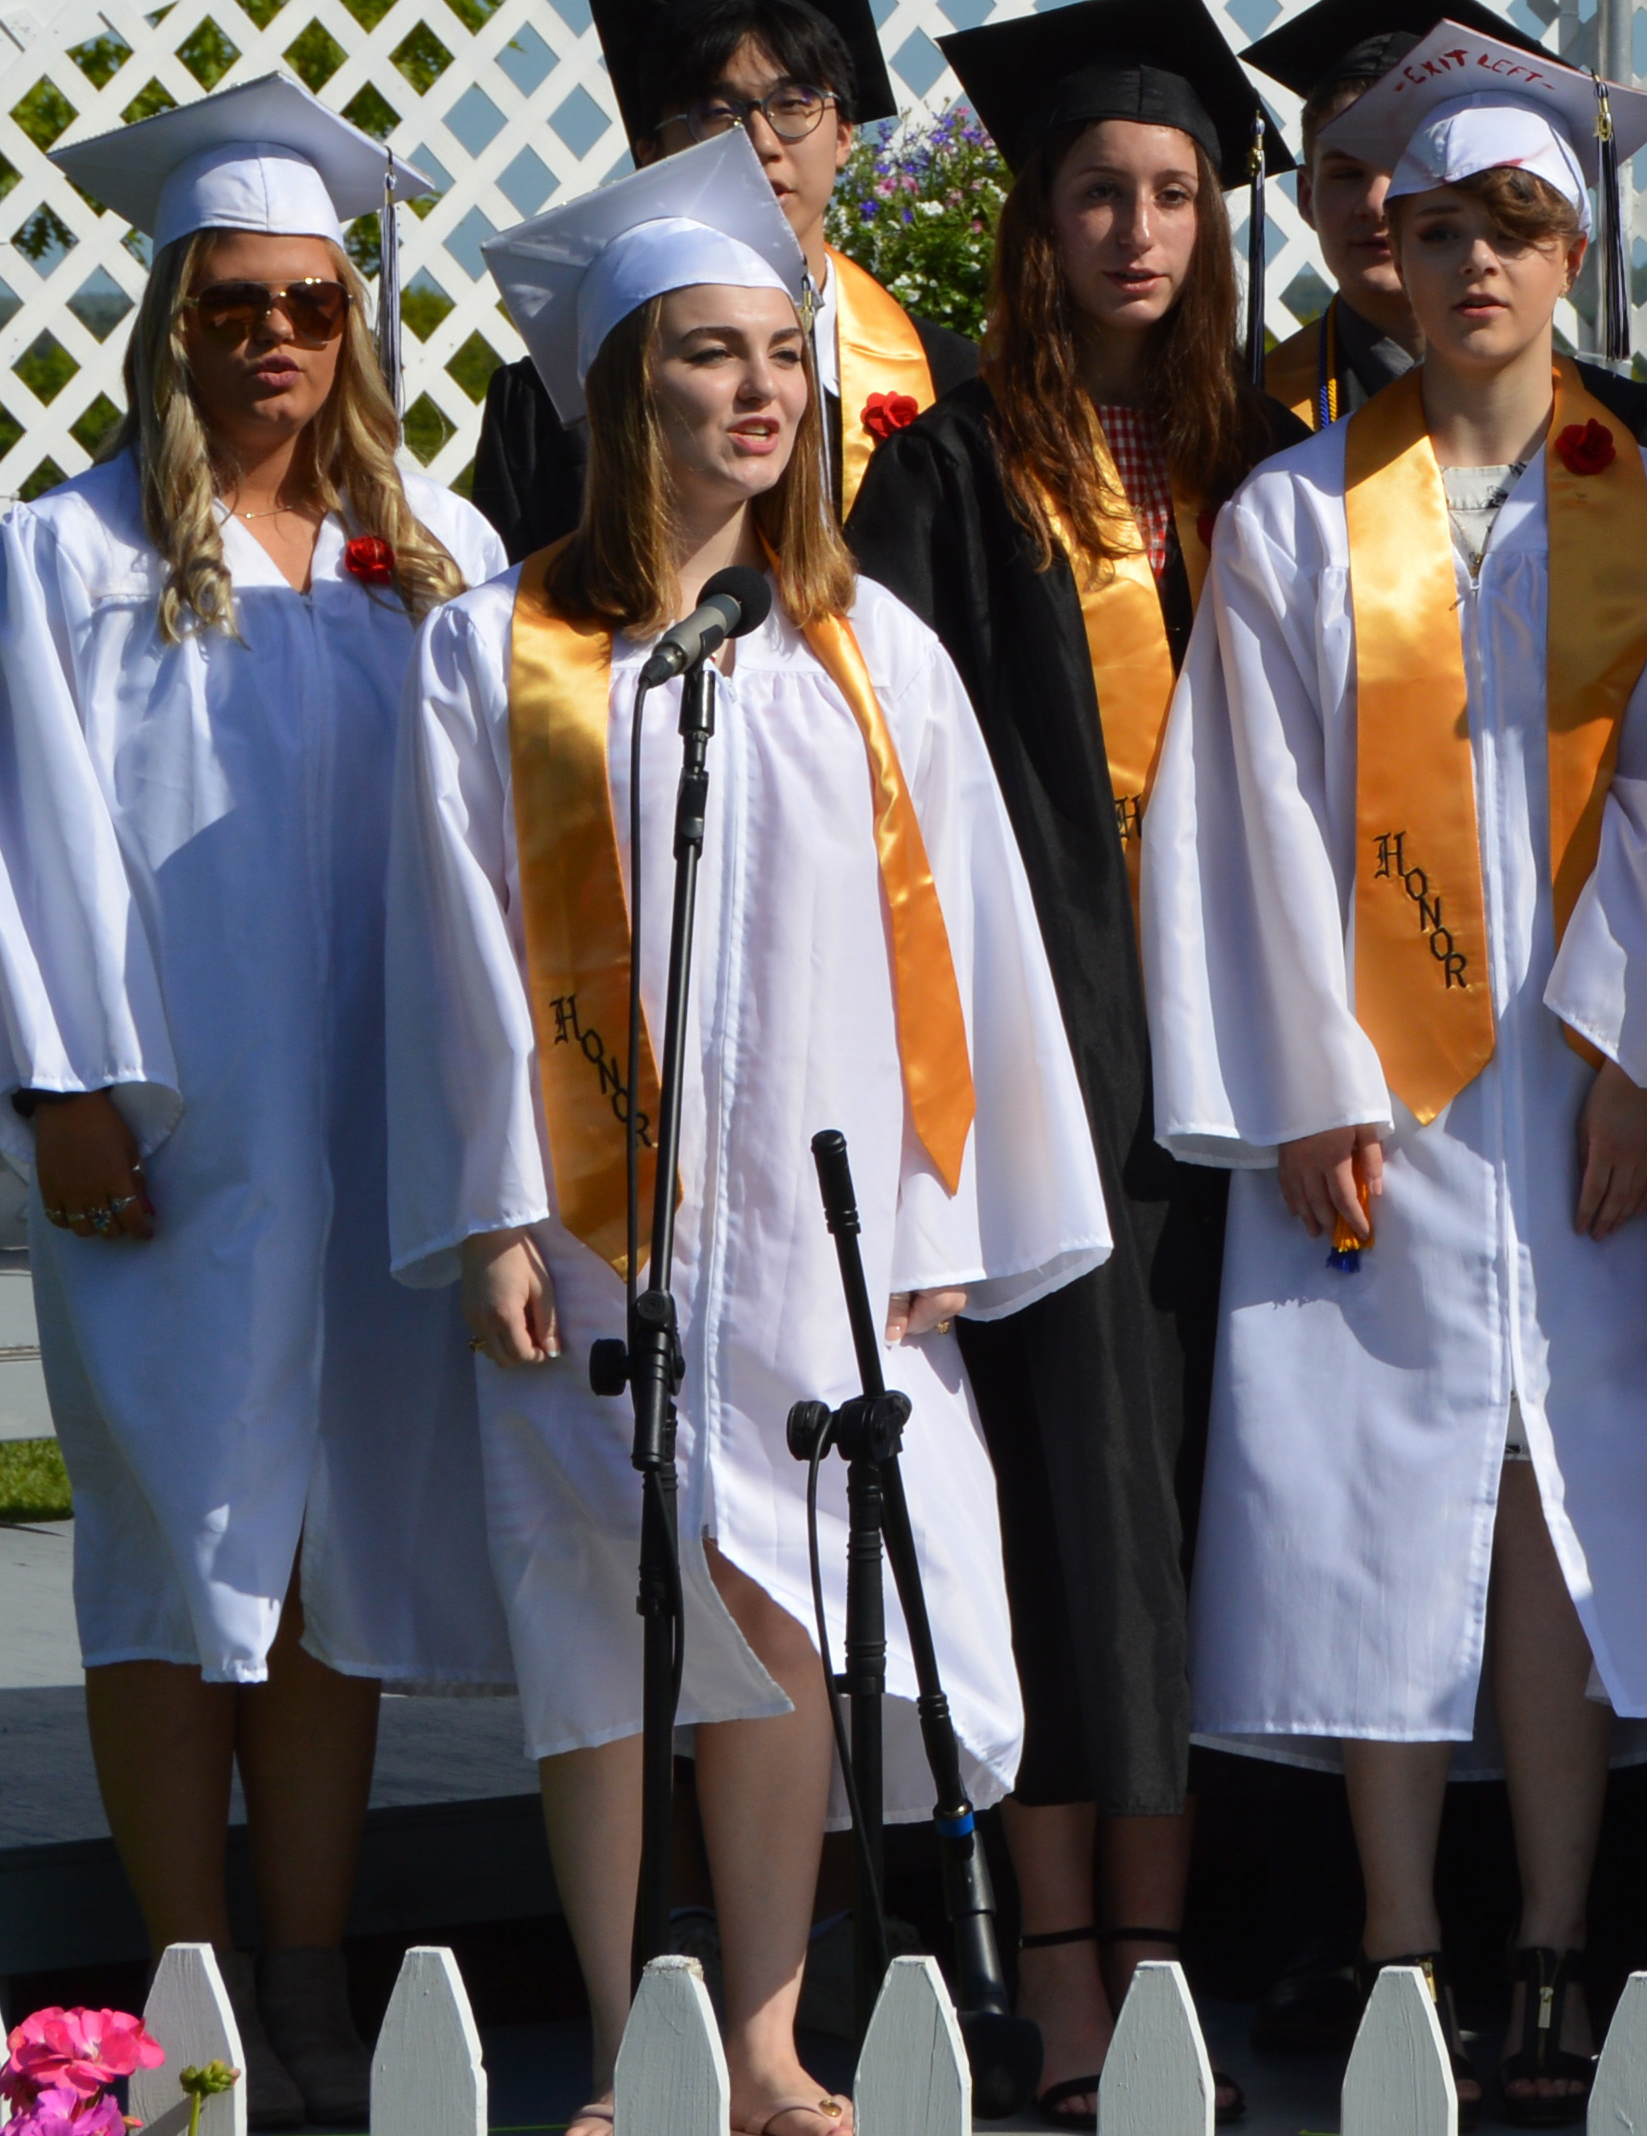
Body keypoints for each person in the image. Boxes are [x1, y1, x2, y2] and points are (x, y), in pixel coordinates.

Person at [393, 137, 1110, 2136]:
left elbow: (968, 957)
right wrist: (498, 1215)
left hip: (821, 1218)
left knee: (791, 1602)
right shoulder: (498, 655)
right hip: (596, 1228)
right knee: (604, 1615)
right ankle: (637, 2031)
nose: (759, 393)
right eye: (709, 356)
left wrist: (948, 1208)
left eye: (783, 354)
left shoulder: (870, 659)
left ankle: (771, 2034)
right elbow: (454, 946)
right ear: (628, 388)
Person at [1145, 19, 1647, 2127]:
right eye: (1444, 225)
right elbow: (1250, 810)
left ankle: (1550, 1944)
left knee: (1554, 1511)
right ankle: (1401, 1940)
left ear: (1578, 255)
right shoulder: (1296, 517)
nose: (1480, 262)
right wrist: (1302, 1080)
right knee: (1376, 1496)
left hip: (1574, 1103)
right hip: (1371, 1102)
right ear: (1385, 253)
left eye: (1521, 227)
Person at [0, 75, 510, 2131]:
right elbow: (24, 836)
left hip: (375, 1138)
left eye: (314, 304)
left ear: (358, 325)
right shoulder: (62, 558)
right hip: (171, 1146)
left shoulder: (425, 558)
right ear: (172, 316)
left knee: (333, 1557)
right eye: (234, 301)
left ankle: (310, 1973)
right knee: (178, 1555)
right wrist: (66, 1085)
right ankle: (190, 1999)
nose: (275, 337)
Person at [849, 0, 1281, 2125]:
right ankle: (1077, 1968)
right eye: (1103, 191)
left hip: (1236, 1058)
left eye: (1178, 192)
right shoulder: (941, 484)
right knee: (1065, 1511)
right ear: (1037, 225)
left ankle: (1174, 1945)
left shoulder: (1258, 467)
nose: (1141, 229)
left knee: (1203, 1501)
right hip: (1047, 1066)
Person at [466, 0, 975, 554]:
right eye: (719, 113)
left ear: (846, 133)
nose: (762, 139)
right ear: (651, 150)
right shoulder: (553, 403)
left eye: (795, 102)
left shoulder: (956, 382)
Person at [1238, 0, 1647, 460]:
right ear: (1306, 197)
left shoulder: (1626, 429)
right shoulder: (1246, 415)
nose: (1376, 203)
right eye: (1347, 174)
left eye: (1408, 170)